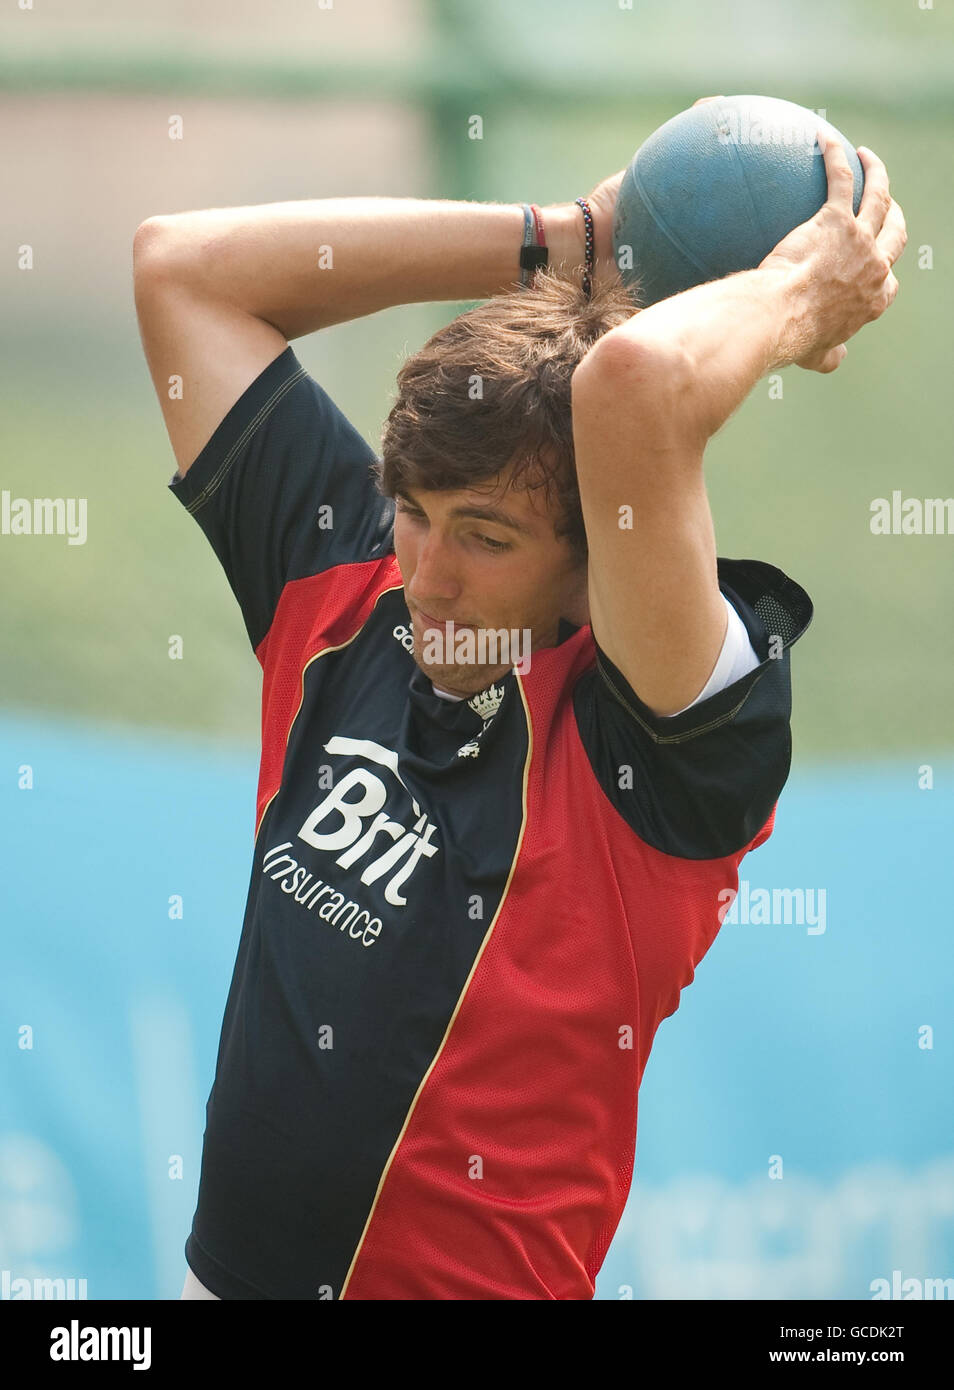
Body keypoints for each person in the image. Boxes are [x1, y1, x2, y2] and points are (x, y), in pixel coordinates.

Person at [133, 129, 905, 1301]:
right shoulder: (354, 590)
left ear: (594, 566)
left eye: (487, 537)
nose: (428, 578)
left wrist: (803, 290)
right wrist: (567, 239)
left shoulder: (655, 734)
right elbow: (180, 271)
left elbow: (635, 386)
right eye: (414, 513)